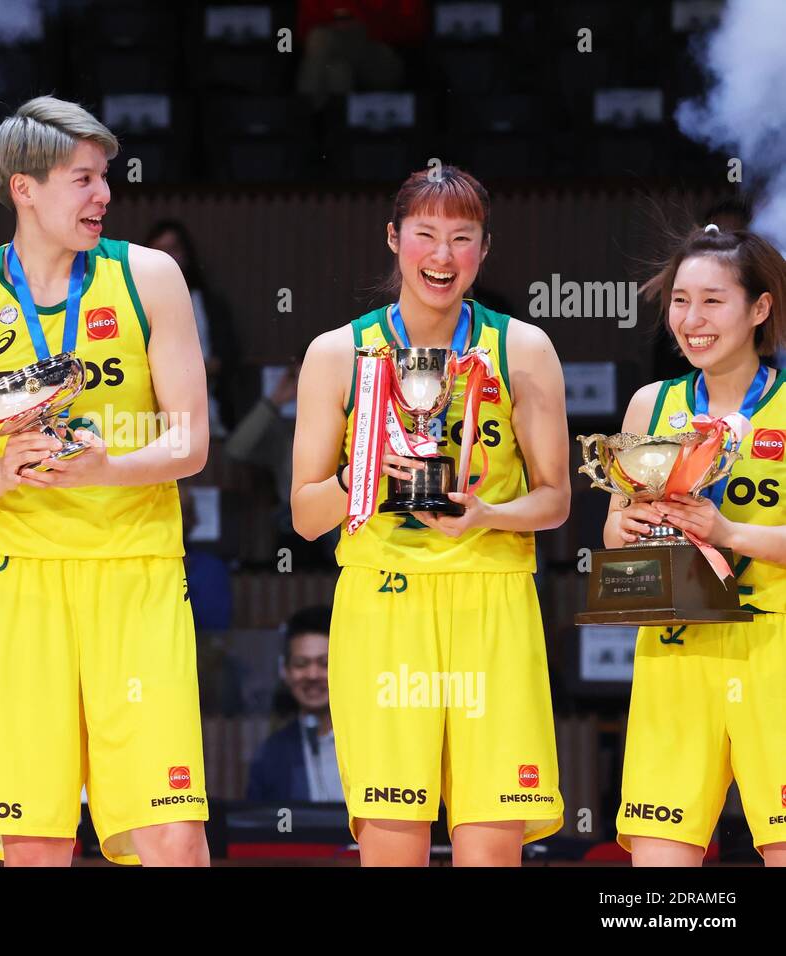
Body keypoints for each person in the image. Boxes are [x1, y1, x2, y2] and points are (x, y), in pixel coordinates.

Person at [0, 96, 211, 866]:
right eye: (83, 179)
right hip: (19, 584)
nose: (104, 194)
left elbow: (191, 441)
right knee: (37, 841)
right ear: (25, 188)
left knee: (171, 834)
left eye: (104, 177)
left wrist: (111, 468)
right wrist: (1, 468)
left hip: (134, 574)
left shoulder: (151, 277)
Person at [291, 165, 570, 866]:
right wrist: (362, 475)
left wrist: (483, 516)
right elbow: (303, 515)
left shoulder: (522, 349)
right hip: (385, 604)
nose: (442, 257)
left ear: (483, 249)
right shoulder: (338, 353)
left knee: (490, 844)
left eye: (462, 238)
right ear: (394, 239)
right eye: (425, 235)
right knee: (392, 842)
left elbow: (557, 500)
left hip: (492, 604)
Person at [604, 223, 786, 867]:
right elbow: (616, 523)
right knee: (661, 871)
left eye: (713, 300)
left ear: (759, 308)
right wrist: (625, 530)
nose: (692, 318)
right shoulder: (651, 404)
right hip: (675, 647)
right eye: (681, 300)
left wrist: (730, 533)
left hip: (774, 650)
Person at [145, 219, 237, 434]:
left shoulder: (208, 302)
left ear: (186, 254)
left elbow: (226, 356)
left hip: (207, 401)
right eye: (158, 250)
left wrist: (193, 371)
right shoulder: (133, 302)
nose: (166, 258)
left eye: (172, 249)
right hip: (150, 406)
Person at [247, 606, 341, 803]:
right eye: (301, 664)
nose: (313, 675)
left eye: (325, 663)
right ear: (285, 671)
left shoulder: (371, 744)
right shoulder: (271, 754)